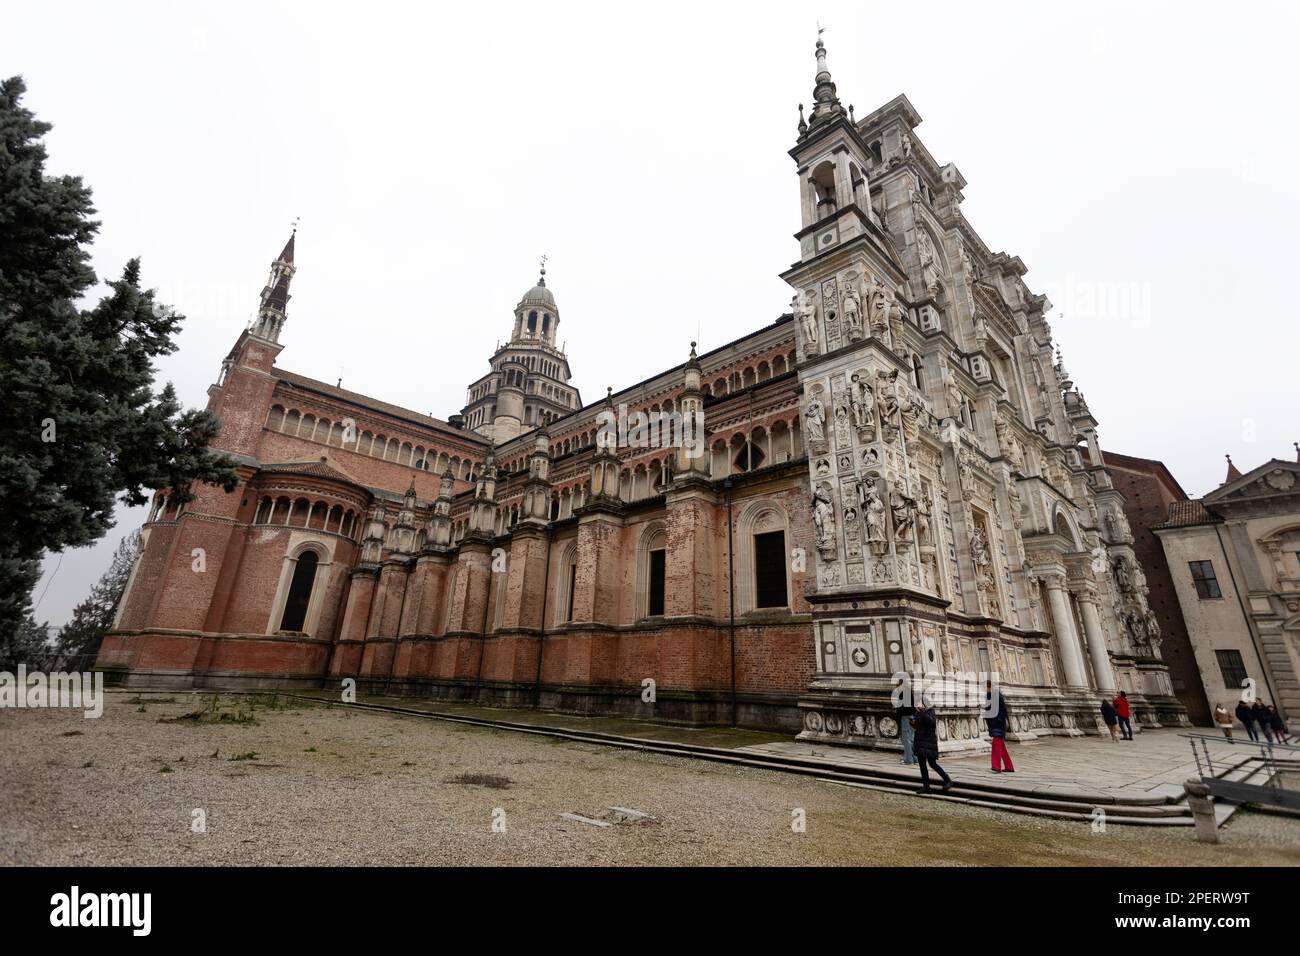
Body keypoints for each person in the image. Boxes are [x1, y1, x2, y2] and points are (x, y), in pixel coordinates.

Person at [910, 698, 952, 794]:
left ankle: (947, 779)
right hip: (920, 741)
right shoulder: (918, 712)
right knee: (922, 765)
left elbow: (931, 722)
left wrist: (923, 712)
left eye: (919, 704)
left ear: (925, 704)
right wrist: (912, 722)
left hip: (929, 741)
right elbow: (917, 725)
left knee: (932, 763)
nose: (917, 706)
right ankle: (926, 786)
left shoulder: (930, 711)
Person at [985, 680, 1014, 773]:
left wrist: (998, 720)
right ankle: (1009, 767)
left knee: (996, 744)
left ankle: (996, 766)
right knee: (1001, 746)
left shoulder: (997, 696)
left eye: (987, 687)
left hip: (998, 724)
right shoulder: (989, 696)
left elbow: (1003, 710)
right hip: (993, 724)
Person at [895, 680, 917, 766]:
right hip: (912, 717)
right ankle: (915, 758)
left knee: (907, 740)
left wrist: (898, 711)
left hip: (905, 717)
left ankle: (908, 759)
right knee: (911, 739)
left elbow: (902, 708)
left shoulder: (903, 693)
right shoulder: (910, 693)